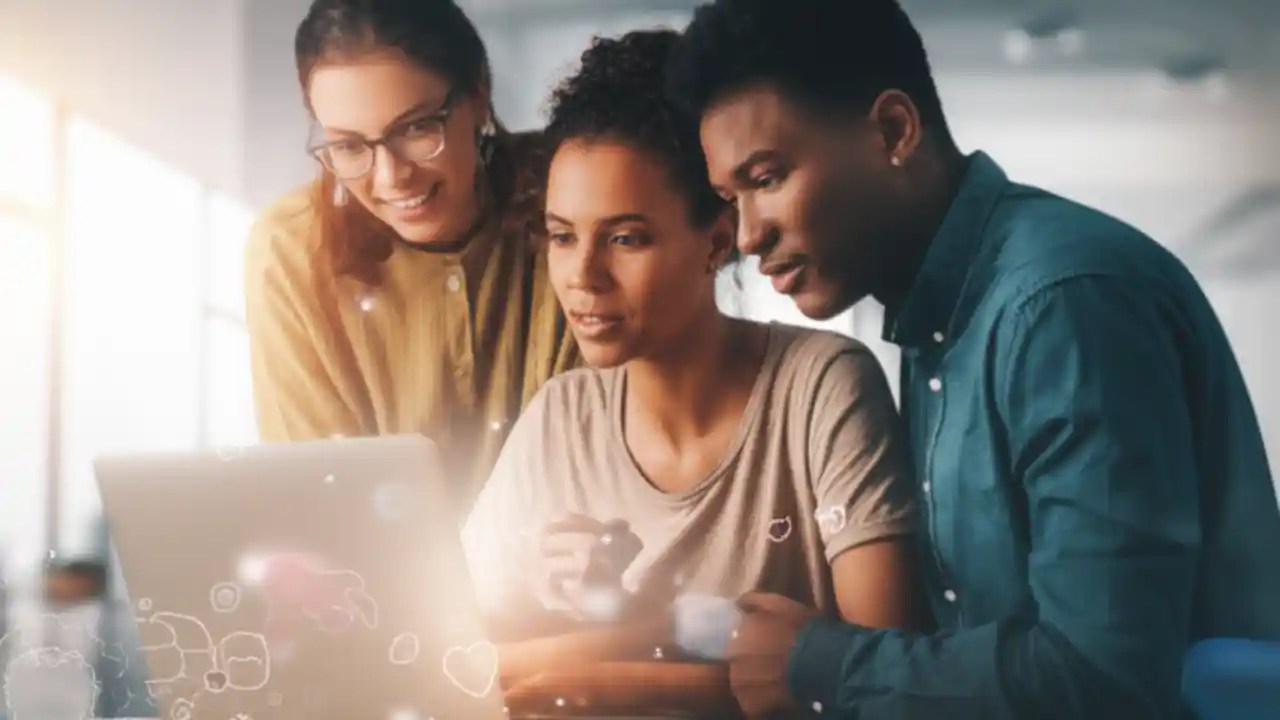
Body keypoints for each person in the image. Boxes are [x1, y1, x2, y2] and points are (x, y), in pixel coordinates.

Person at [668, 0, 1280, 717]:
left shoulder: (1060, 305)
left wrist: (823, 662)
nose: (745, 236)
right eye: (727, 198)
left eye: (767, 178)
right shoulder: (938, 319)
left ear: (893, 131)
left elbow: (1106, 678)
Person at [462, 29, 920, 673]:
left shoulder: (822, 388)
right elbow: (460, 664)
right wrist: (558, 607)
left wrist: (608, 650)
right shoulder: (560, 419)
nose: (581, 276)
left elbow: (884, 677)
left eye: (625, 239)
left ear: (715, 243)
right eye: (562, 236)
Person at [244, 0, 576, 506]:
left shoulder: (574, 201)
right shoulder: (290, 250)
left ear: (479, 95)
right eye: (350, 147)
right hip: (374, 580)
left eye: (418, 128)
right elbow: (319, 501)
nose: (390, 178)